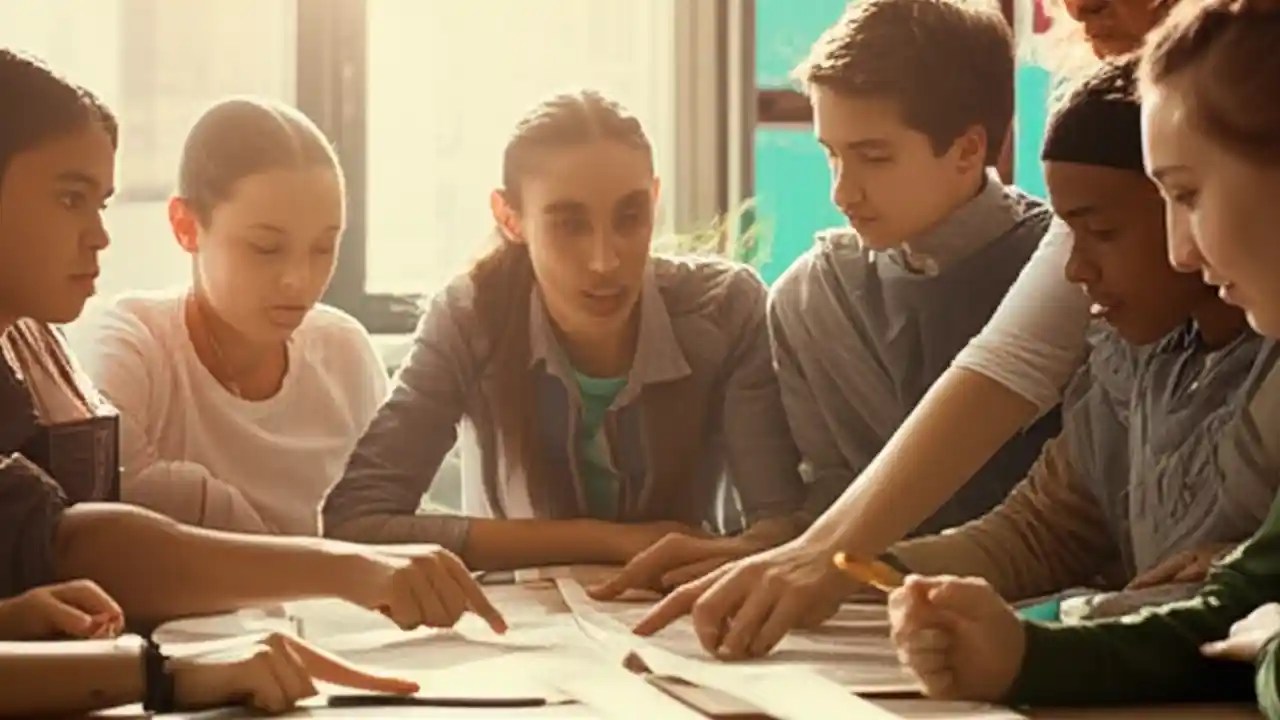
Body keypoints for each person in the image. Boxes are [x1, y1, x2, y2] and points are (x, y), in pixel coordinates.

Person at [628, 0, 1186, 658]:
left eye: (872, 156)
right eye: (832, 156)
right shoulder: (813, 295)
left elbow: (1017, 364)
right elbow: (1043, 521)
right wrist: (819, 559)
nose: (841, 191)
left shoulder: (1132, 310)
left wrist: (826, 557)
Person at [0, 46, 502, 713]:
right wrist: (170, 675)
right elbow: (94, 541)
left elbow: (67, 538)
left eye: (325, 246)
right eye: (70, 198)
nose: (100, 238)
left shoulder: (23, 352)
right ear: (188, 227)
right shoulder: (120, 344)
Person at [888, 2, 1280, 714]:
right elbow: (1232, 610)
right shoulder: (1131, 365)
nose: (1182, 250)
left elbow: (1238, 620)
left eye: (1188, 195)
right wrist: (1016, 654)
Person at [322, 90, 805, 576]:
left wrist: (718, 556)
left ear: (655, 199)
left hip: (680, 616)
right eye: (569, 224)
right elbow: (357, 523)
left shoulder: (725, 309)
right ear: (510, 219)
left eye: (630, 217)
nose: (605, 260)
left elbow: (780, 527)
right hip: (522, 626)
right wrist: (615, 541)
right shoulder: (470, 315)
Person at [66, 97, 386, 535]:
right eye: (265, 248)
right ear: (186, 226)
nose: (299, 279)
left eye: (323, 248)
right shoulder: (129, 344)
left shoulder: (344, 352)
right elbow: (109, 511)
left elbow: (390, 521)